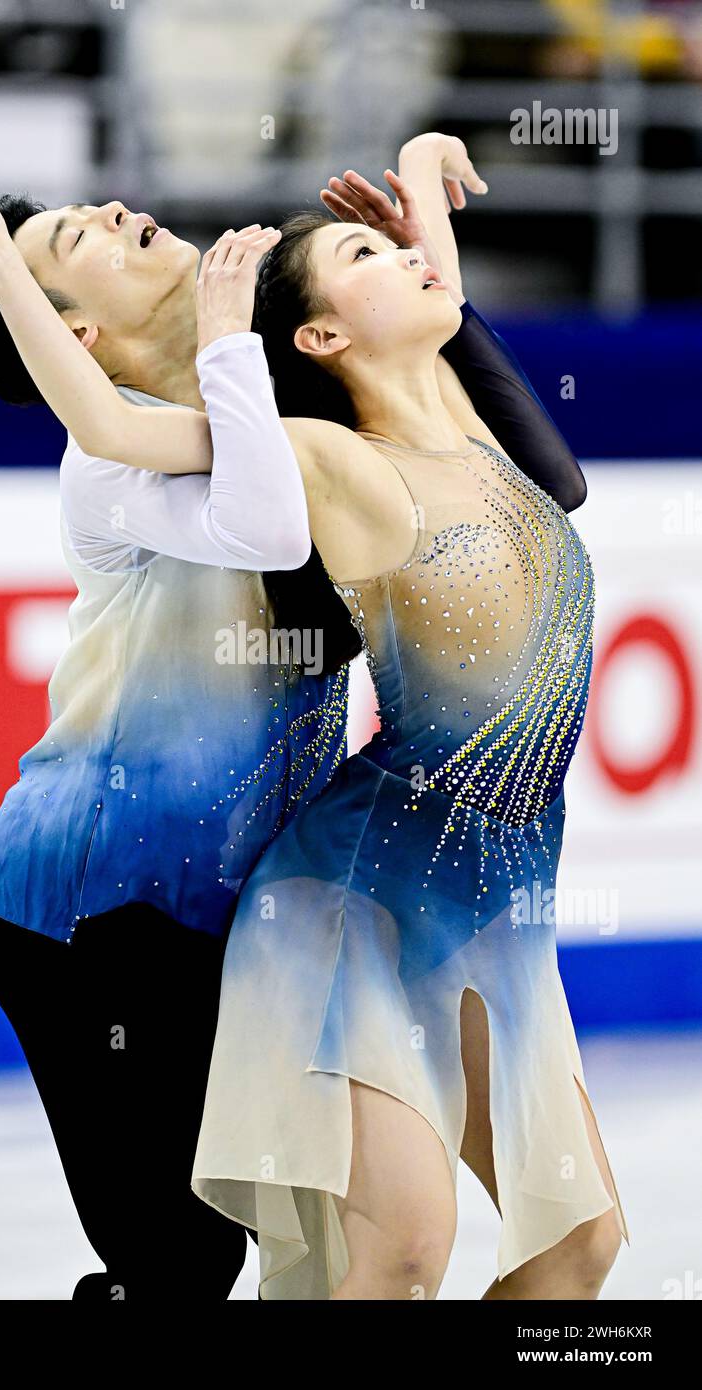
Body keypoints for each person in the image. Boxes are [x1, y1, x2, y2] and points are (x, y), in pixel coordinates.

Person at [0, 131, 600, 1302]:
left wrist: (434, 283)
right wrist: (26, 280)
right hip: (88, 915)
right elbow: (263, 524)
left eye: (94, 209)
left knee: (328, 1240)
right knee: (184, 1259)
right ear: (74, 335)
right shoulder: (108, 461)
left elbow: (533, 479)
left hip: (254, 897)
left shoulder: (266, 384)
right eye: (77, 237)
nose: (116, 208)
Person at [188, 139, 630, 1299]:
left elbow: (432, 316)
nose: (406, 262)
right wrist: (222, 334)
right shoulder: (328, 456)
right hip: (352, 896)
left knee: (576, 1245)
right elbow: (135, 439)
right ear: (319, 339)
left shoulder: (476, 439)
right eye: (361, 254)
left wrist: (421, 187)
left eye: (398, 251)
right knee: (400, 1249)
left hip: (496, 899)